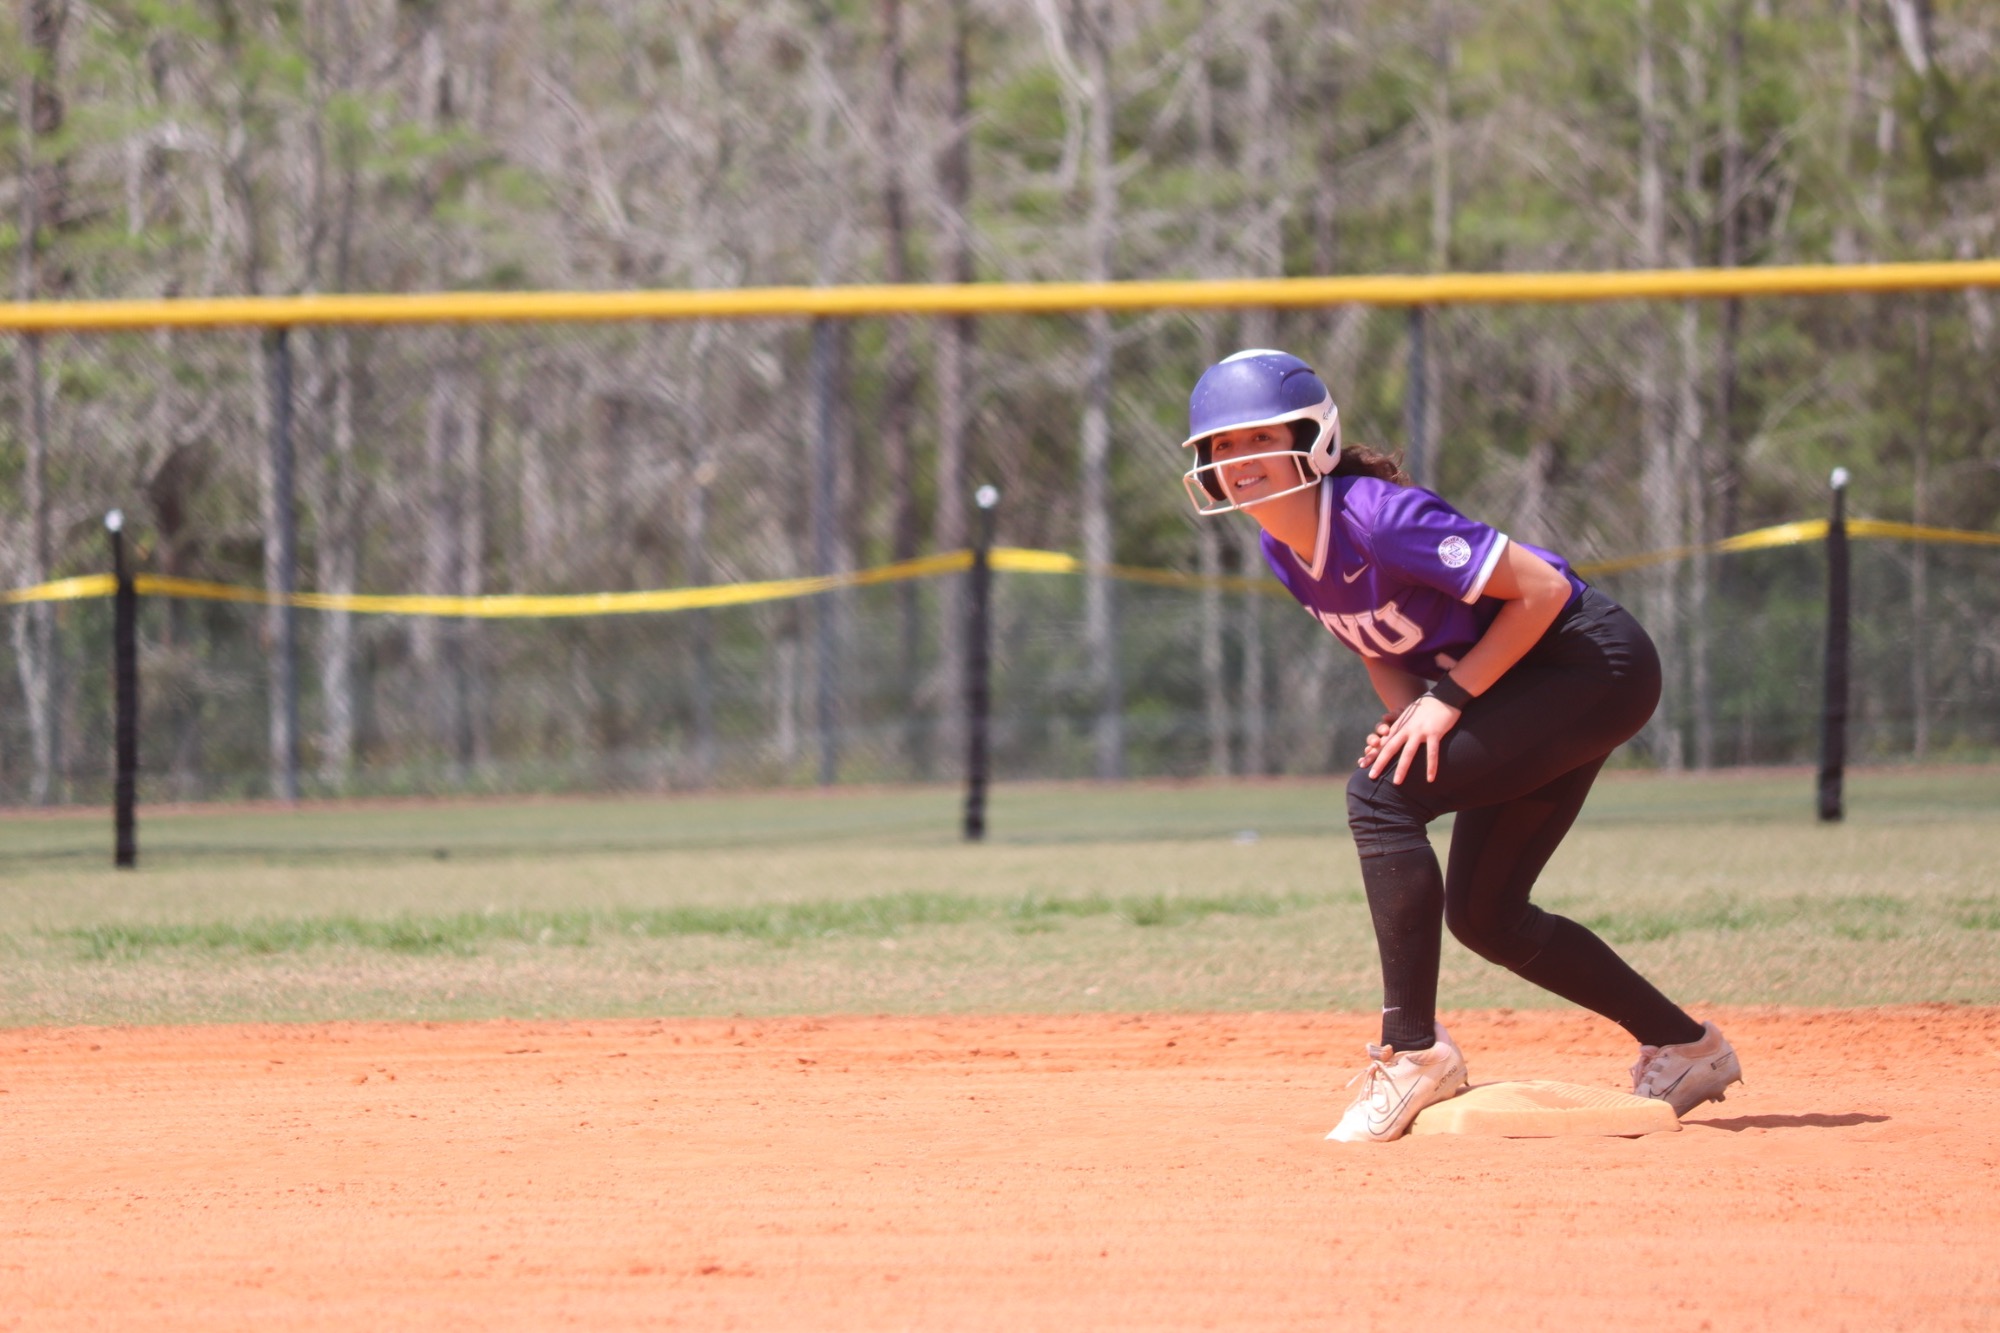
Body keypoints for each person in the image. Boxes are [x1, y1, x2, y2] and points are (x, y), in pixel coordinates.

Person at [1179, 348, 1742, 1143]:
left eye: (1260, 438)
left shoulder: (1379, 515)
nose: (1240, 461)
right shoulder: (1283, 544)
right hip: (1521, 687)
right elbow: (1374, 642)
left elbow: (1543, 591)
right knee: (1487, 914)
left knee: (1377, 796)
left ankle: (1413, 1051)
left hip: (1591, 665)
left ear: (1313, 438)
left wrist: (1447, 700)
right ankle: (1687, 1046)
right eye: (1223, 446)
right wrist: (1412, 713)